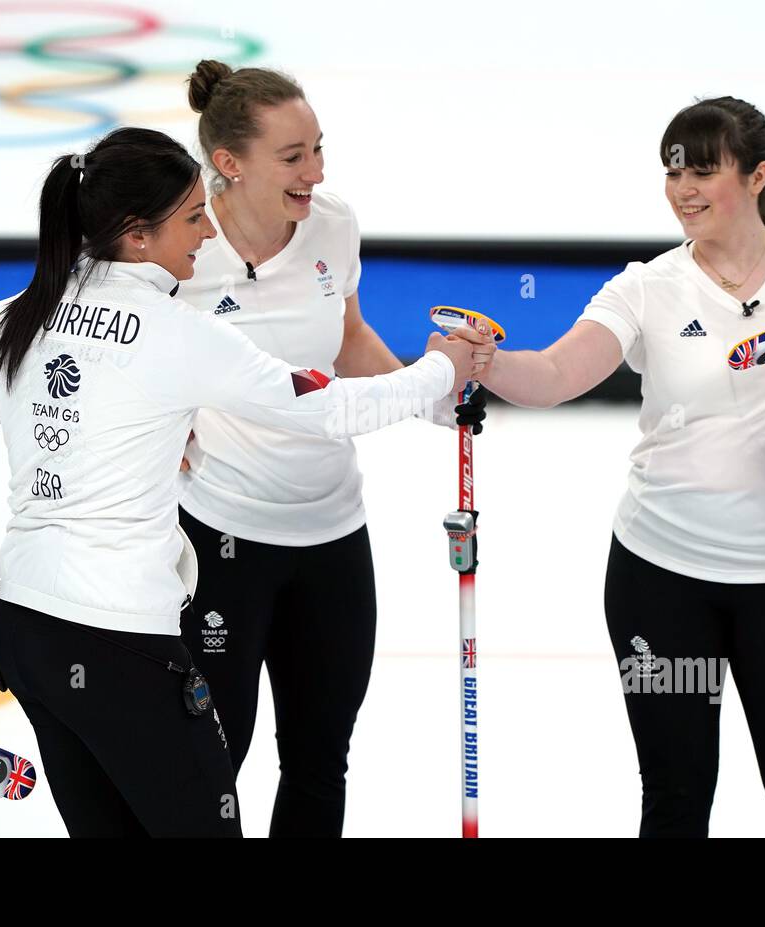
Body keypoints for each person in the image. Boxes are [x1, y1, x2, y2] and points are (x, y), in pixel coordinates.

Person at [0, 126, 492, 838]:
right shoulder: (174, 331)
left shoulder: (14, 318)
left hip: (31, 637)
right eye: (190, 216)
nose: (208, 231)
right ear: (136, 235)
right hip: (125, 643)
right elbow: (329, 409)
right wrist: (443, 370)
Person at [477, 97, 765, 837]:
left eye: (703, 171)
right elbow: (552, 374)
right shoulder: (648, 286)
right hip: (662, 579)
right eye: (672, 173)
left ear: (758, 175)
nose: (683, 190)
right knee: (675, 796)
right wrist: (487, 364)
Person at [174, 60, 489, 837]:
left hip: (331, 538)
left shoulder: (333, 223)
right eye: (293, 157)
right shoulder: (181, 244)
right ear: (229, 164)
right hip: (219, 538)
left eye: (318, 148)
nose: (316, 171)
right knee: (213, 756)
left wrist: (437, 405)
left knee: (319, 758)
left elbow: (346, 337)